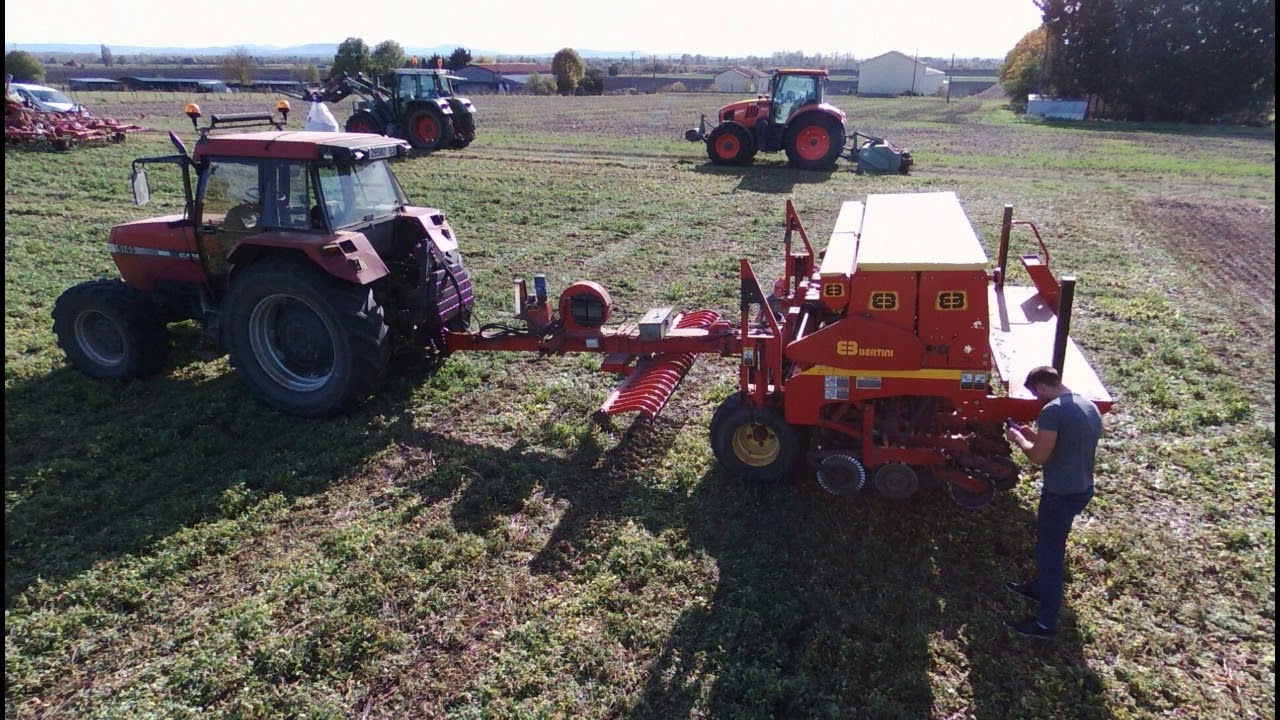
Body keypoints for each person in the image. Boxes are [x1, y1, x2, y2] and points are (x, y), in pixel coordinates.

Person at [1003, 365, 1103, 639]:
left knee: (1050, 556)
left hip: (1060, 493)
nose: (1038, 400)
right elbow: (1068, 445)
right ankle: (1039, 589)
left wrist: (1020, 439)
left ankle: (1045, 624)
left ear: (1043, 387)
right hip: (1082, 487)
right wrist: (1035, 436)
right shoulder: (1087, 405)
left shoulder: (1052, 410)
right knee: (1050, 547)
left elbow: (1038, 457)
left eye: (1037, 394)